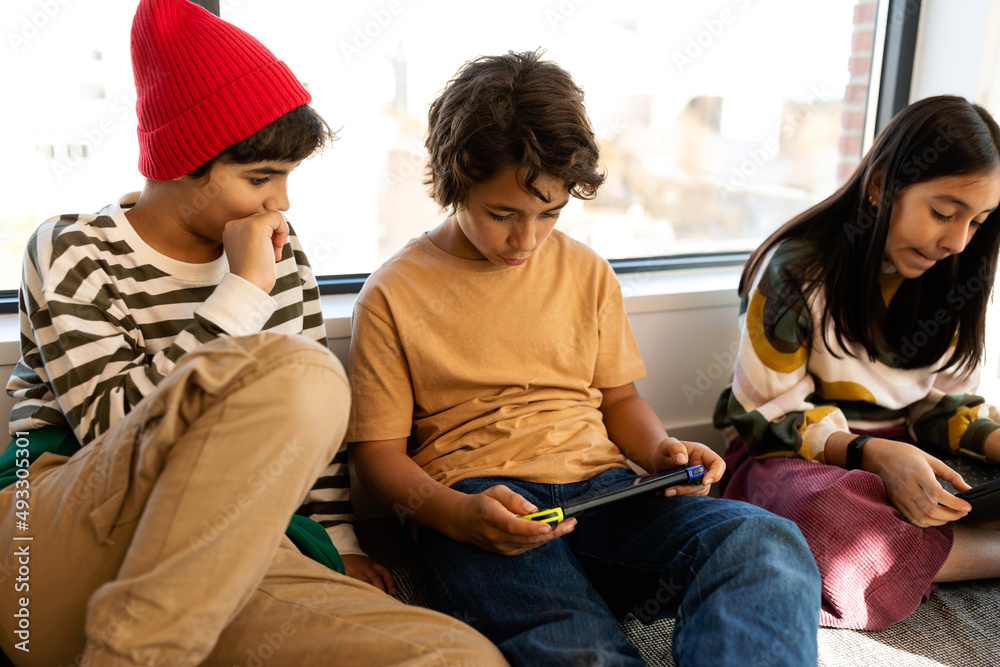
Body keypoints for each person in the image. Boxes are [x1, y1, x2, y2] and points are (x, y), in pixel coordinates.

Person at [0, 1, 507, 665]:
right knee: (302, 371)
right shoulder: (71, 247)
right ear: (185, 162)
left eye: (288, 177)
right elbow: (113, 428)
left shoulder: (281, 250)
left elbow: (308, 436)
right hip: (58, 539)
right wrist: (240, 292)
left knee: (457, 656)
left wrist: (340, 543)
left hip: (224, 546)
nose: (282, 202)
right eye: (262, 177)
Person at [346, 49, 822, 667]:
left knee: (765, 541)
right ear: (454, 180)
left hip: (608, 495)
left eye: (550, 214)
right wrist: (460, 517)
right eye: (502, 215)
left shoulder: (586, 271)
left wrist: (660, 453)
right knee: (573, 646)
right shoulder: (393, 293)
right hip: (485, 510)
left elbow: (619, 399)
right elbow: (377, 457)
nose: (527, 240)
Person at [714, 94, 1000, 631]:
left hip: (907, 450)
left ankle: (932, 543)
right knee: (837, 522)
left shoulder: (959, 274)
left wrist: (992, 443)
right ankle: (981, 553)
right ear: (879, 184)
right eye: (943, 213)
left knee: (966, 487)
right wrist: (870, 453)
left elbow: (942, 404)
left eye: (979, 222)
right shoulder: (797, 270)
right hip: (790, 452)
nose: (957, 241)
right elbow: (763, 416)